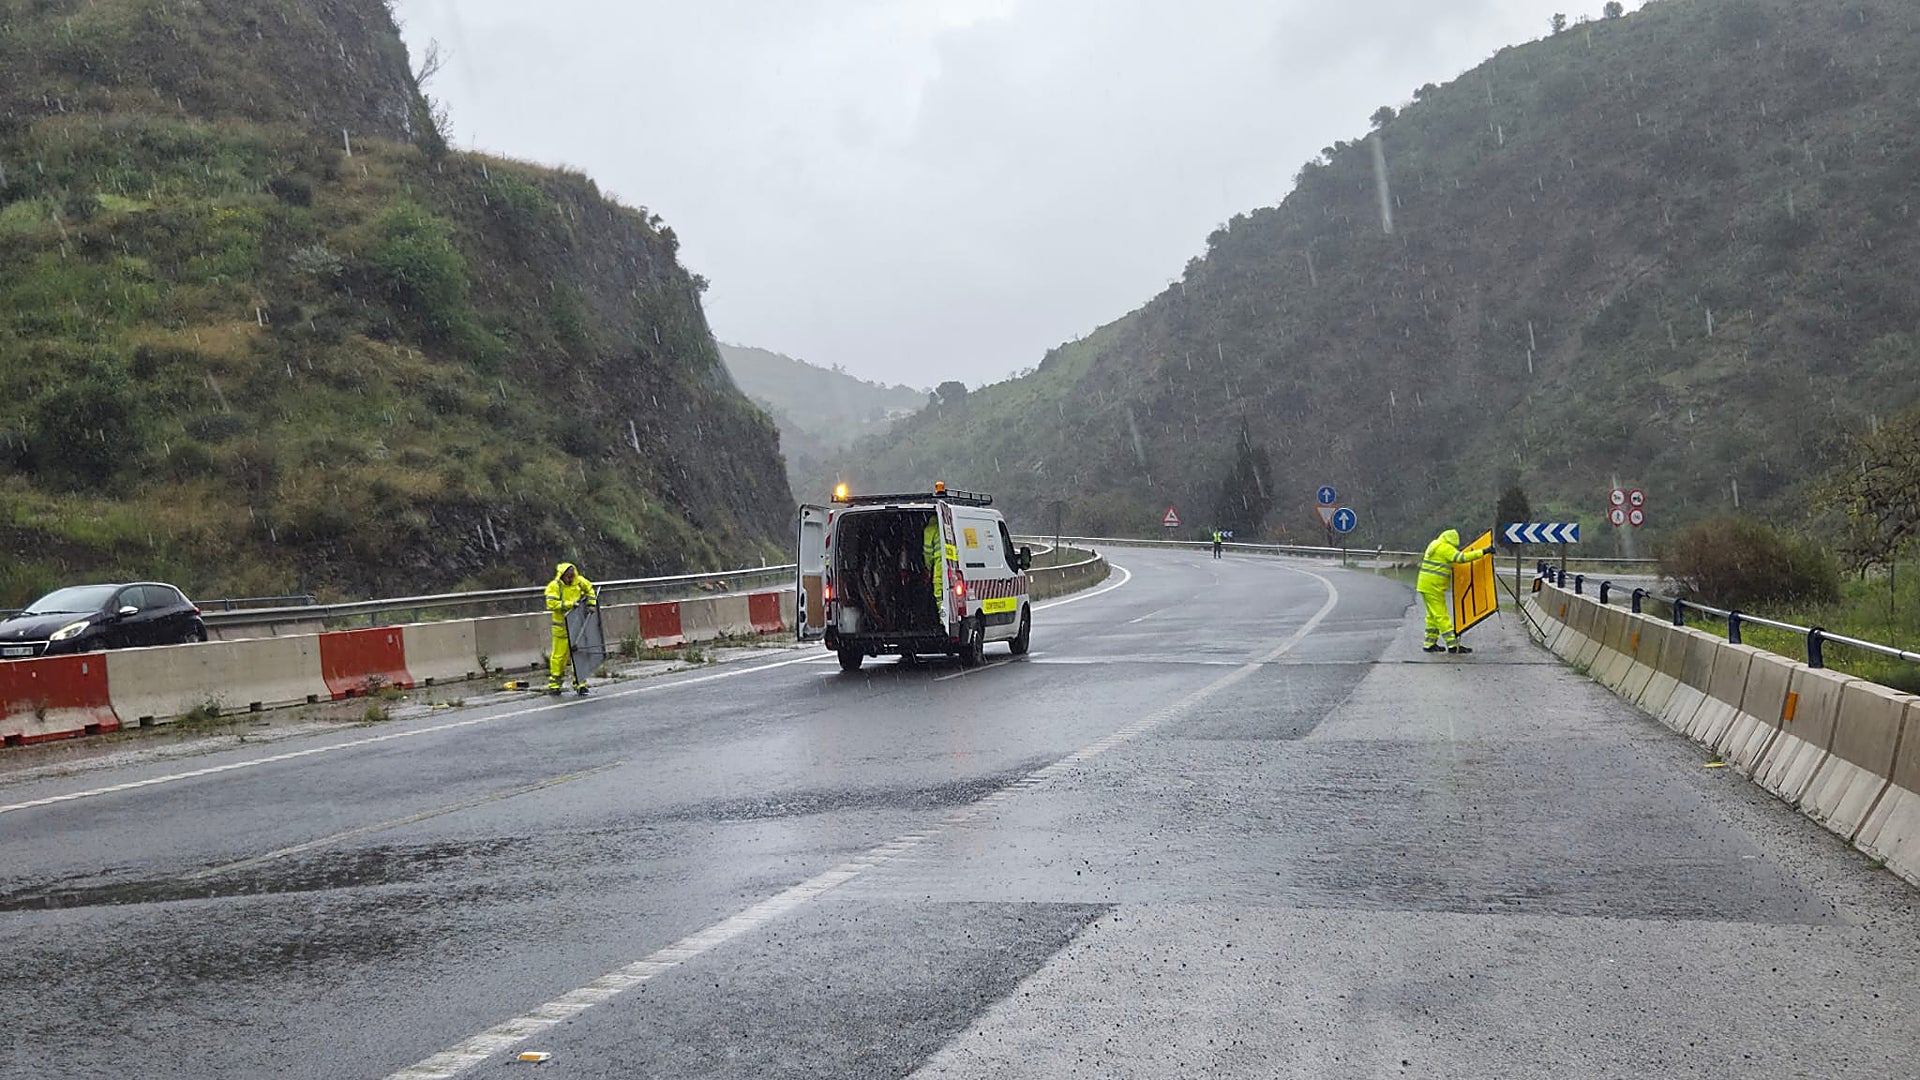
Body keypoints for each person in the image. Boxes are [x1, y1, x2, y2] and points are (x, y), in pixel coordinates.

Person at [1417, 528, 1488, 654]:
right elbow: (1461, 558)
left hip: (1425, 585)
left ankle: (1429, 644)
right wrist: (1483, 551)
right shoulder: (1446, 548)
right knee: (1441, 615)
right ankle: (1453, 645)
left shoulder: (1435, 544)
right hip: (1434, 586)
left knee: (1432, 616)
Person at [544, 561, 599, 695]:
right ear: (562, 575)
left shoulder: (579, 582)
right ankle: (555, 686)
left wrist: (592, 603)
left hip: (577, 627)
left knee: (579, 656)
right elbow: (551, 604)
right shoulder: (554, 586)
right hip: (561, 629)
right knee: (559, 658)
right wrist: (569, 605)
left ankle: (580, 684)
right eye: (568, 576)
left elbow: (590, 590)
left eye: (572, 576)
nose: (570, 578)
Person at [922, 513, 945, 629]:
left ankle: (942, 620)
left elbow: (927, 553)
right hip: (951, 562)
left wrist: (927, 568)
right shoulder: (945, 525)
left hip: (939, 564)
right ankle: (945, 620)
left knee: (939, 594)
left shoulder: (929, 530)